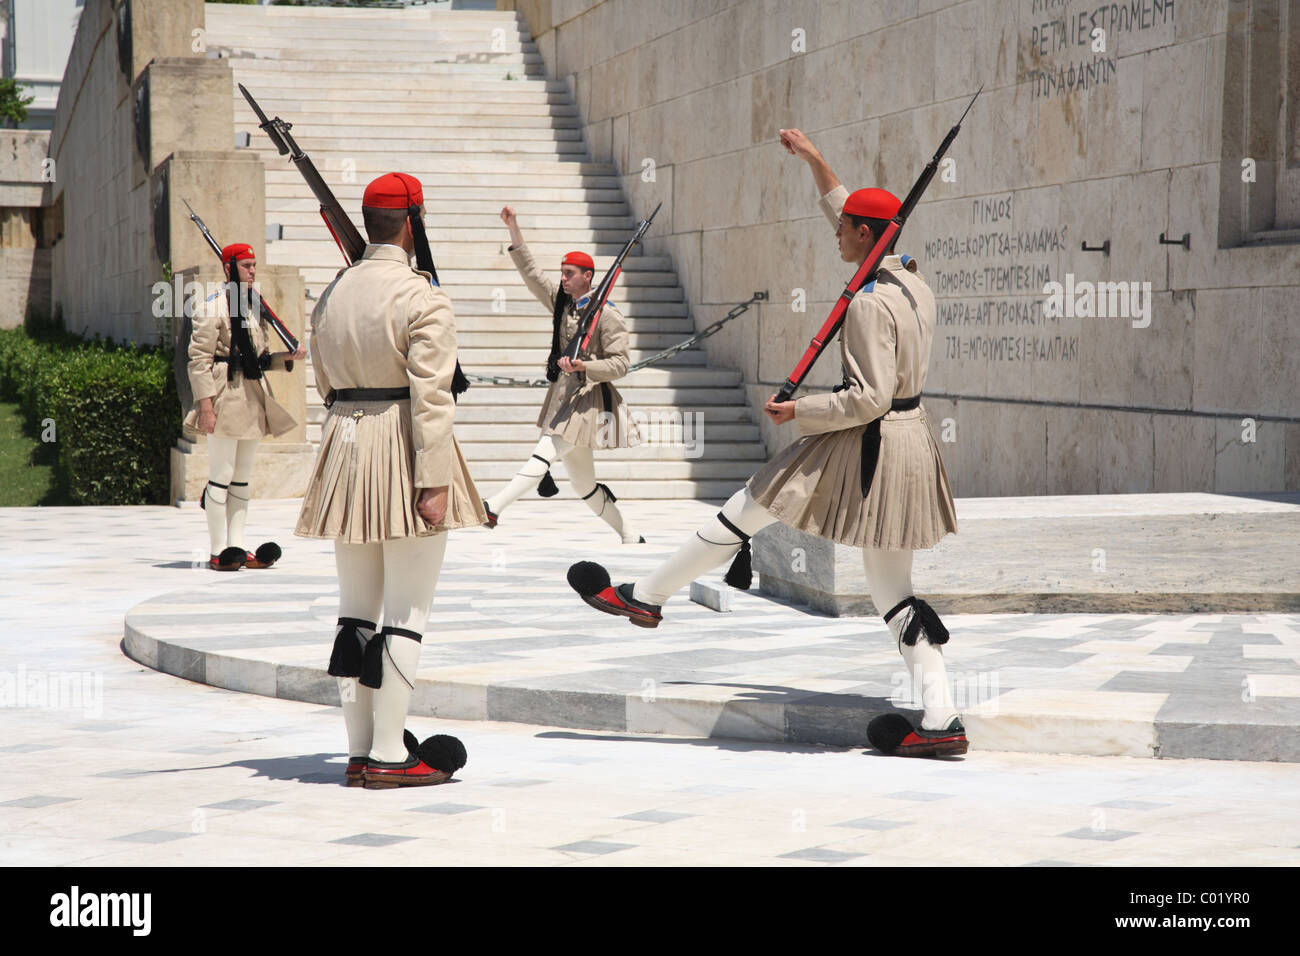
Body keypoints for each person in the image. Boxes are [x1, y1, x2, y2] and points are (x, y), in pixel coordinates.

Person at [567, 129, 965, 757]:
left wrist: (796, 409)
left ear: (865, 235)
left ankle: (646, 598)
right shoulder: (914, 281)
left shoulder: (865, 305)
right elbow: (854, 216)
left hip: (865, 440)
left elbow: (869, 397)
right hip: (911, 440)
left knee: (749, 504)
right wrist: (815, 163)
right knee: (892, 588)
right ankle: (941, 719)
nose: (834, 235)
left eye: (844, 230)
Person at [295, 172, 477, 788]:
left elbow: (321, 377)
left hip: (345, 443)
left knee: (355, 614)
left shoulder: (335, 291)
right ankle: (390, 757)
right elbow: (432, 399)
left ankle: (359, 750)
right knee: (406, 613)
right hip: (402, 445)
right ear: (414, 221)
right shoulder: (423, 297)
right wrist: (432, 479)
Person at [482, 205, 644, 543]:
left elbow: (620, 363)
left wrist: (586, 366)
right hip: (564, 398)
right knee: (585, 486)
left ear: (588, 276)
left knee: (544, 451)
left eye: (569, 273)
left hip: (587, 402)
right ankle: (631, 536)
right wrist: (514, 228)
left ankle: (494, 507)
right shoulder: (562, 304)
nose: (563, 278)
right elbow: (531, 274)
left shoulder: (608, 316)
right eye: (562, 272)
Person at [186, 243, 305, 571]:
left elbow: (259, 359)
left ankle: (236, 547)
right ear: (229, 269)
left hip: (252, 396)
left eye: (254, 266)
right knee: (221, 475)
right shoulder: (212, 306)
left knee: (242, 477)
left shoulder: (253, 305)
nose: (253, 271)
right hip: (225, 395)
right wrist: (206, 407)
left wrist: (286, 359)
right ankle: (217, 549)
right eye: (247, 266)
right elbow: (198, 362)